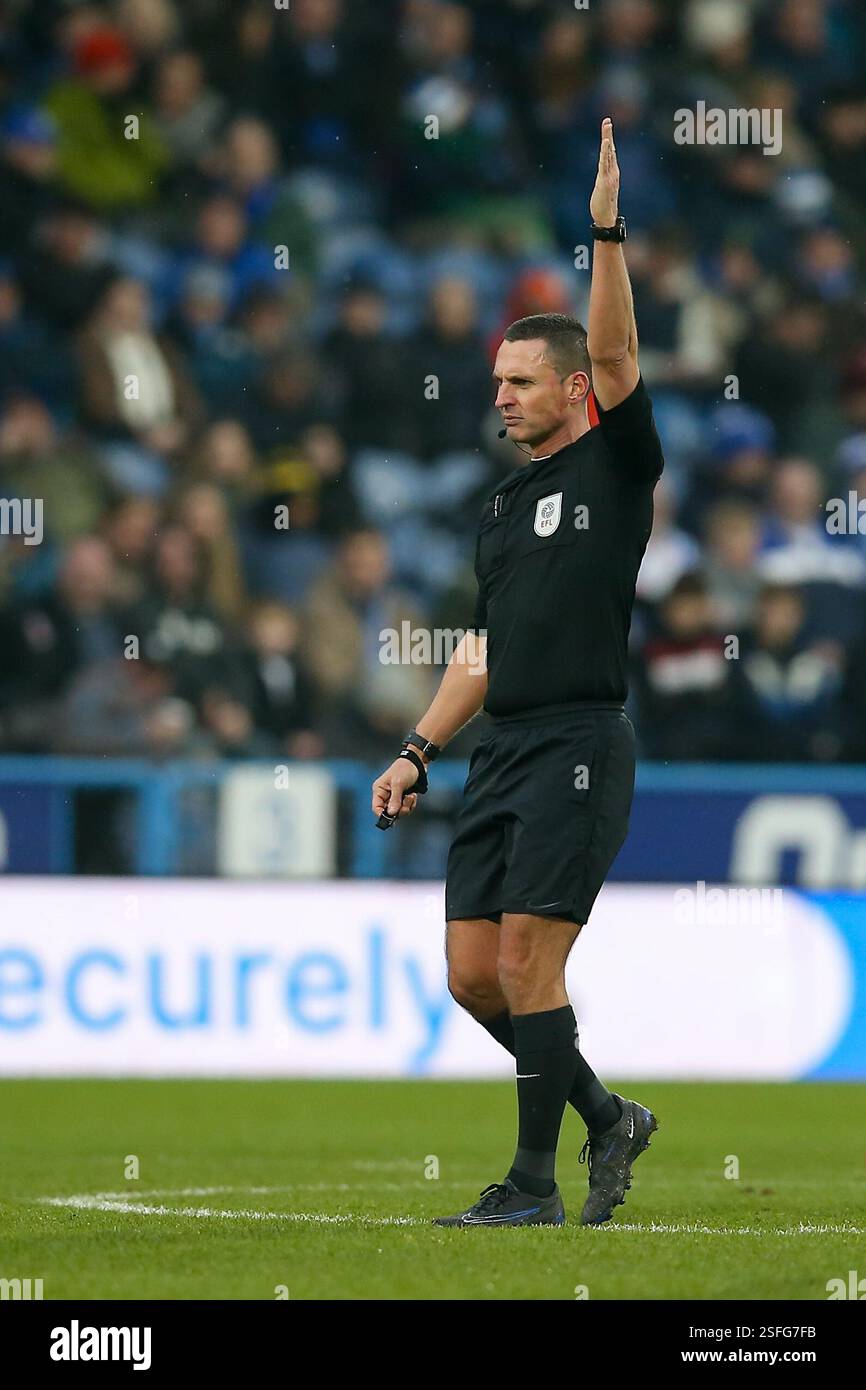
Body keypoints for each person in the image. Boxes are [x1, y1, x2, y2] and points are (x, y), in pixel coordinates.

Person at [372, 120, 664, 1228]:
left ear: (571, 389)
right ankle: (607, 1113)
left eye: (519, 381)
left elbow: (623, 355)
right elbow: (480, 650)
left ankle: (531, 1188)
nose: (498, 396)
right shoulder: (496, 508)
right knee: (471, 976)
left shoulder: (619, 463)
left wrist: (603, 231)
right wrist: (416, 747)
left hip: (580, 744)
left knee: (529, 963)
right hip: (499, 749)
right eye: (495, 380)